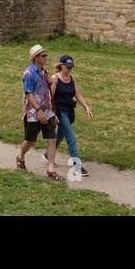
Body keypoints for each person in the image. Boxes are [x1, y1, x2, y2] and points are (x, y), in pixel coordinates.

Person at [17, 44, 62, 181]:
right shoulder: (29, 73)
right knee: (30, 140)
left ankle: (50, 170)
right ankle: (21, 157)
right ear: (36, 58)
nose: (46, 57)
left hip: (47, 110)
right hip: (33, 112)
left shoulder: (44, 72)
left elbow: (47, 93)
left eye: (46, 55)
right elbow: (28, 93)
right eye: (43, 56)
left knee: (52, 139)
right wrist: (38, 111)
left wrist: (50, 83)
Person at [50, 54, 94, 178]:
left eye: (71, 67)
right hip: (60, 112)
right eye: (67, 67)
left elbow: (77, 94)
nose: (69, 69)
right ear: (61, 66)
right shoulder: (55, 79)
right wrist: (52, 113)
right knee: (71, 138)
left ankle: (48, 155)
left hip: (69, 111)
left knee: (60, 135)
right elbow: (49, 97)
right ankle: (77, 166)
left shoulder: (71, 78)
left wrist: (86, 107)